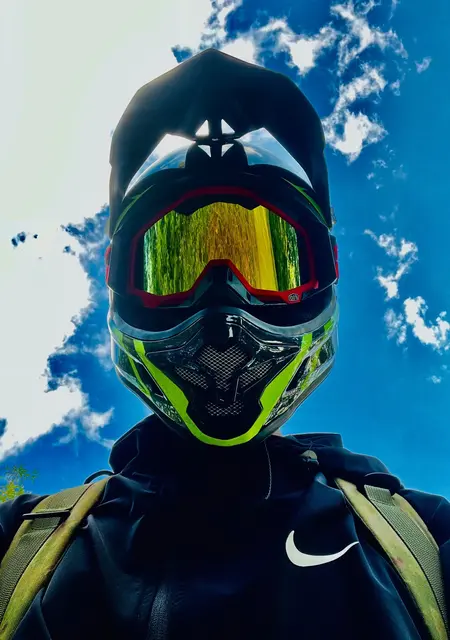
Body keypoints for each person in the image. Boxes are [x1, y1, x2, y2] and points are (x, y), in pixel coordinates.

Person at [0, 48, 449, 640]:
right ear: (121, 281)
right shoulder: (21, 544)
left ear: (323, 270)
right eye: (175, 262)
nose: (222, 297)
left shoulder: (423, 539)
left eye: (263, 260)